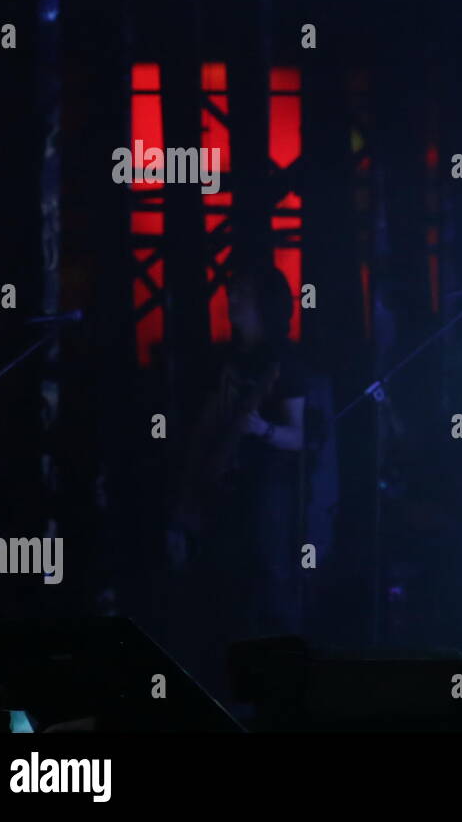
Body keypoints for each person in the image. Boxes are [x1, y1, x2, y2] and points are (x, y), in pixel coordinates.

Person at [169, 262, 307, 699]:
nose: (232, 301)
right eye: (232, 292)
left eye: (242, 293)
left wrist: (262, 431)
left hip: (267, 492)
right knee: (228, 592)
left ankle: (280, 692)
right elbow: (206, 428)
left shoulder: (283, 361)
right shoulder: (227, 359)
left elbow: (299, 435)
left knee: (269, 587)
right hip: (225, 492)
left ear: (263, 303)